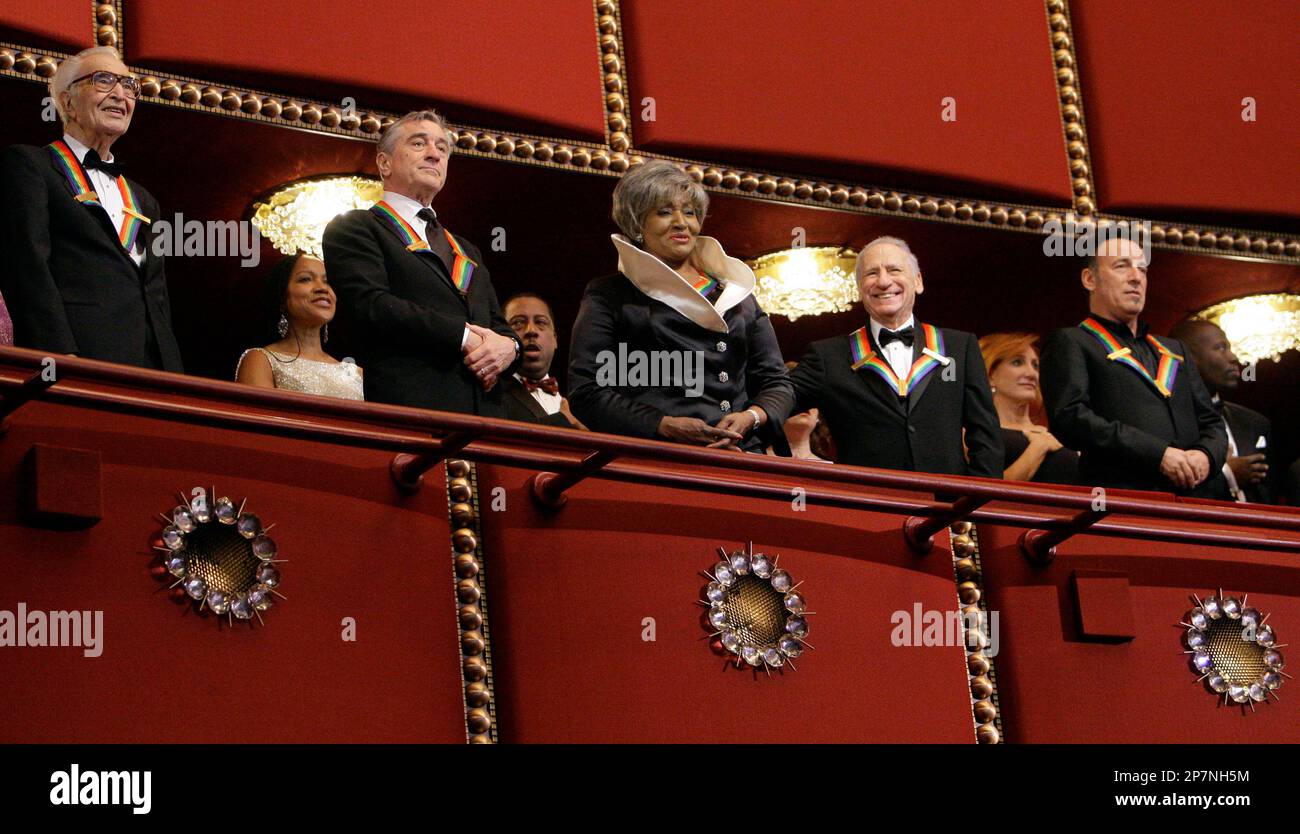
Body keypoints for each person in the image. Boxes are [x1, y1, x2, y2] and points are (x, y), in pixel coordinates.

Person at [568, 160, 793, 451]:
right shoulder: (611, 295)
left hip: (743, 456)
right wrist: (664, 425)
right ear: (637, 223)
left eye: (690, 212)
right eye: (664, 212)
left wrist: (752, 417)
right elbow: (587, 392)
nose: (681, 222)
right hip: (660, 458)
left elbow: (777, 383)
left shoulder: (739, 294)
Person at [323, 109, 519, 414]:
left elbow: (497, 325)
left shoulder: (467, 249)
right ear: (384, 163)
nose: (434, 155)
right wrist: (462, 336)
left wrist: (510, 347)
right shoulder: (356, 228)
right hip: (414, 413)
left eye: (442, 148)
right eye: (418, 144)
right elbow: (371, 305)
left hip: (487, 422)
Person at [0, 46, 183, 371]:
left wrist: (172, 373)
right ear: (67, 101)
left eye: (128, 86)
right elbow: (26, 268)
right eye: (104, 81)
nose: (120, 94)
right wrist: (57, 357)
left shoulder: (145, 199)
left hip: (152, 373)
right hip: (78, 362)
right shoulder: (31, 166)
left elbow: (156, 296)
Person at [790, 236, 1002, 476]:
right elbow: (779, 399)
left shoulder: (960, 347)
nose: (883, 281)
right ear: (860, 289)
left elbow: (986, 435)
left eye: (894, 269)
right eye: (871, 273)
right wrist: (749, 417)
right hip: (869, 504)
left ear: (918, 281)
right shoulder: (828, 355)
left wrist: (976, 504)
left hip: (948, 505)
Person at [1041, 237, 1227, 496]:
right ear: (1089, 279)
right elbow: (1070, 419)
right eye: (1121, 266)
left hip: (1195, 501)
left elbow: (1212, 422)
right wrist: (1157, 454)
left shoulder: (1175, 350)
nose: (1136, 277)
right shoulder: (1072, 341)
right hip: (1121, 500)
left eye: (1142, 269)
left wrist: (1206, 456)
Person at [1171, 319, 1274, 503]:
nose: (1234, 357)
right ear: (1188, 357)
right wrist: (1227, 475)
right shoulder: (1167, 420)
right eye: (1221, 348)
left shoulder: (1255, 423)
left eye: (1230, 348)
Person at [235, 253, 363, 400]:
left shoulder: (356, 374)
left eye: (328, 281)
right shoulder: (262, 360)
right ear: (282, 297)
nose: (323, 288)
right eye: (305, 279)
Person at [979, 333, 1079, 484]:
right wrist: (1039, 447)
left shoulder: (1056, 435)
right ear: (991, 374)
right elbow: (986, 490)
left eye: (1035, 366)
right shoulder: (976, 432)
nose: (1032, 374)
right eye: (1017, 362)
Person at [500, 293, 585, 428]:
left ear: (555, 339)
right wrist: (563, 420)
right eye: (518, 323)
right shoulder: (490, 394)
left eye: (540, 322)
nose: (531, 330)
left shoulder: (578, 401)